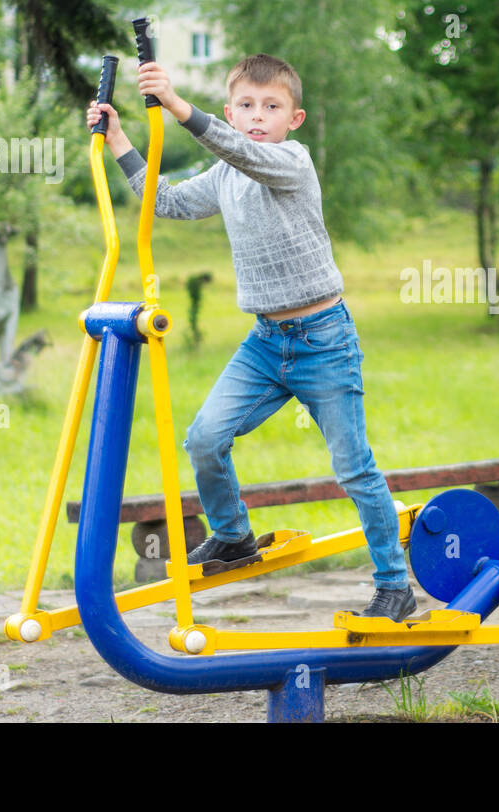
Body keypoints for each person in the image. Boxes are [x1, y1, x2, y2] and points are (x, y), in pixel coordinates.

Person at [85, 52, 417, 621]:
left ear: (296, 118)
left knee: (354, 468)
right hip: (265, 345)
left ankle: (394, 584)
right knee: (204, 438)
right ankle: (233, 534)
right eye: (246, 106)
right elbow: (165, 202)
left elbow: (242, 151)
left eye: (272, 107)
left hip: (324, 341)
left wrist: (177, 106)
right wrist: (118, 140)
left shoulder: (292, 162)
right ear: (230, 111)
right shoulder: (226, 174)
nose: (257, 116)